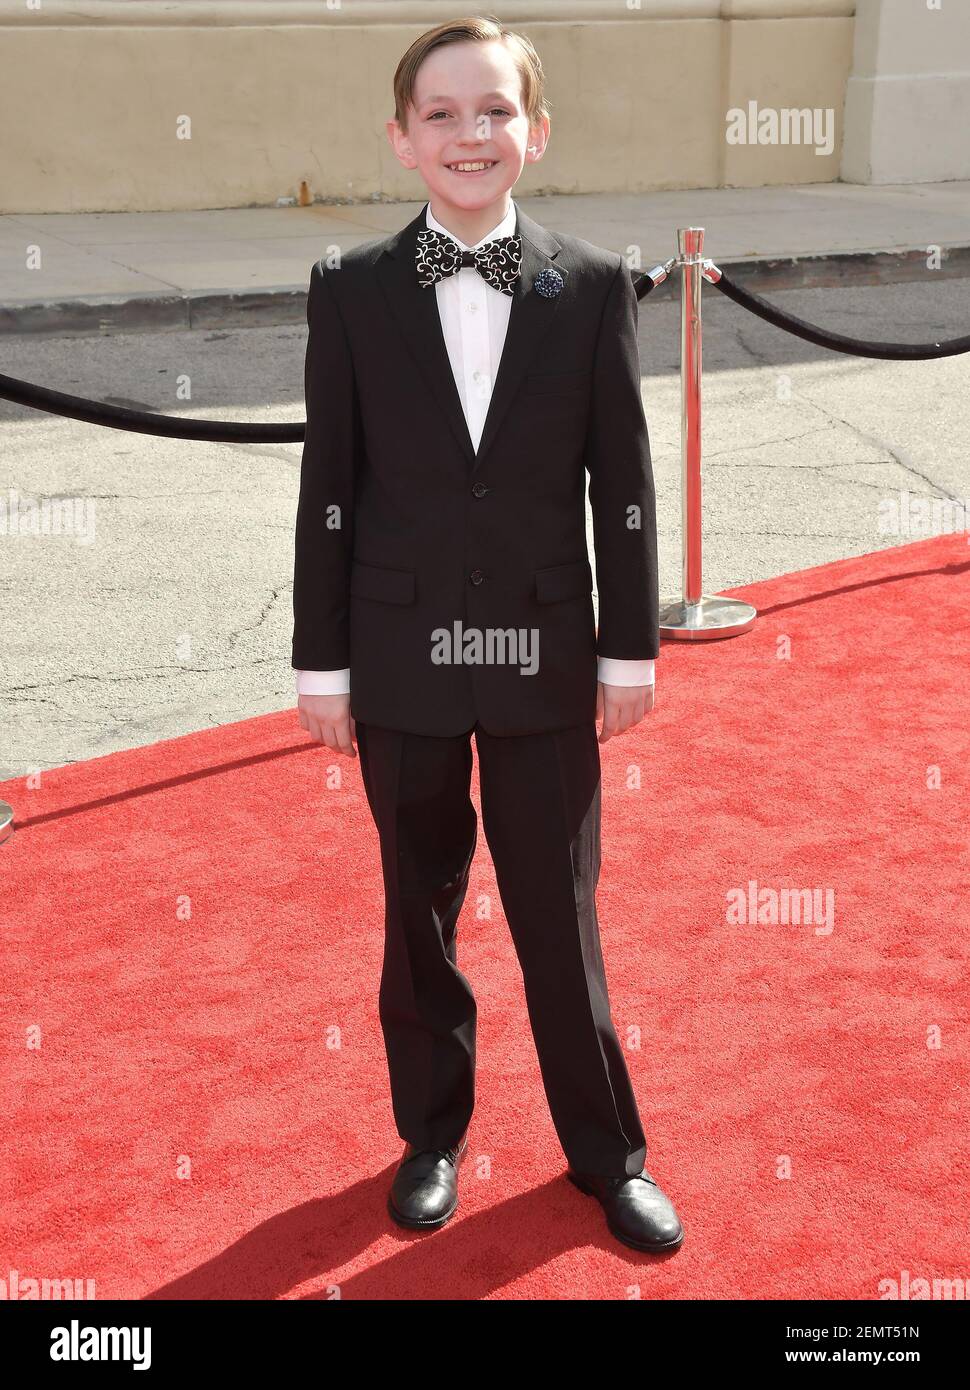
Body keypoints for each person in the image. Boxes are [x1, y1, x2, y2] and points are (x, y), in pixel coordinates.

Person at [292, 14, 683, 1254]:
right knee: (418, 916)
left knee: (556, 915)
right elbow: (330, 487)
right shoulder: (349, 291)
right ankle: (431, 1136)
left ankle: (606, 1154)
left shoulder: (589, 286)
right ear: (401, 139)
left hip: (542, 656)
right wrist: (323, 661)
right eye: (444, 114)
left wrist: (628, 650)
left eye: (496, 111)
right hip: (399, 658)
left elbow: (620, 483)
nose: (473, 134)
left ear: (537, 131)